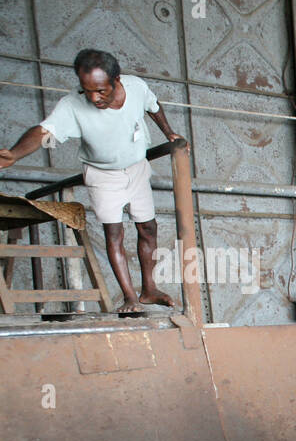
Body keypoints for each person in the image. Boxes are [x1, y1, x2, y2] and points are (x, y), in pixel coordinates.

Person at [0, 49, 182, 313]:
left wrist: (169, 133)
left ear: (116, 80)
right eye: (87, 91)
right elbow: (44, 131)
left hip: (137, 169)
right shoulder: (72, 105)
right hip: (102, 175)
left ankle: (149, 289)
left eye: (101, 91)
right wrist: (15, 153)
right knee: (115, 232)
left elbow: (153, 107)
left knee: (148, 227)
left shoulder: (136, 87)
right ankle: (130, 296)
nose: (94, 98)